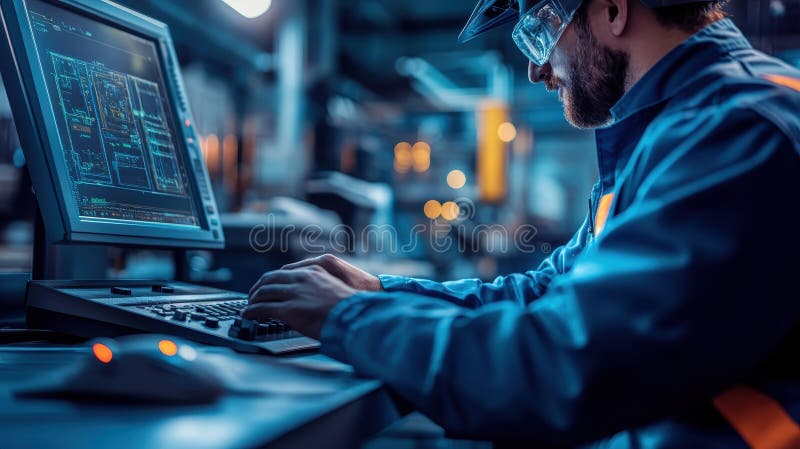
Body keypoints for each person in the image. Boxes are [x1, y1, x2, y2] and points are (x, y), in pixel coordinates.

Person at [245, 0, 800, 446]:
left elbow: (566, 367)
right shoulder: (674, 132)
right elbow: (542, 294)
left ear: (612, 10)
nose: (537, 68)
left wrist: (352, 319)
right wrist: (382, 290)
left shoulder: (737, 129)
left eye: (539, 32)